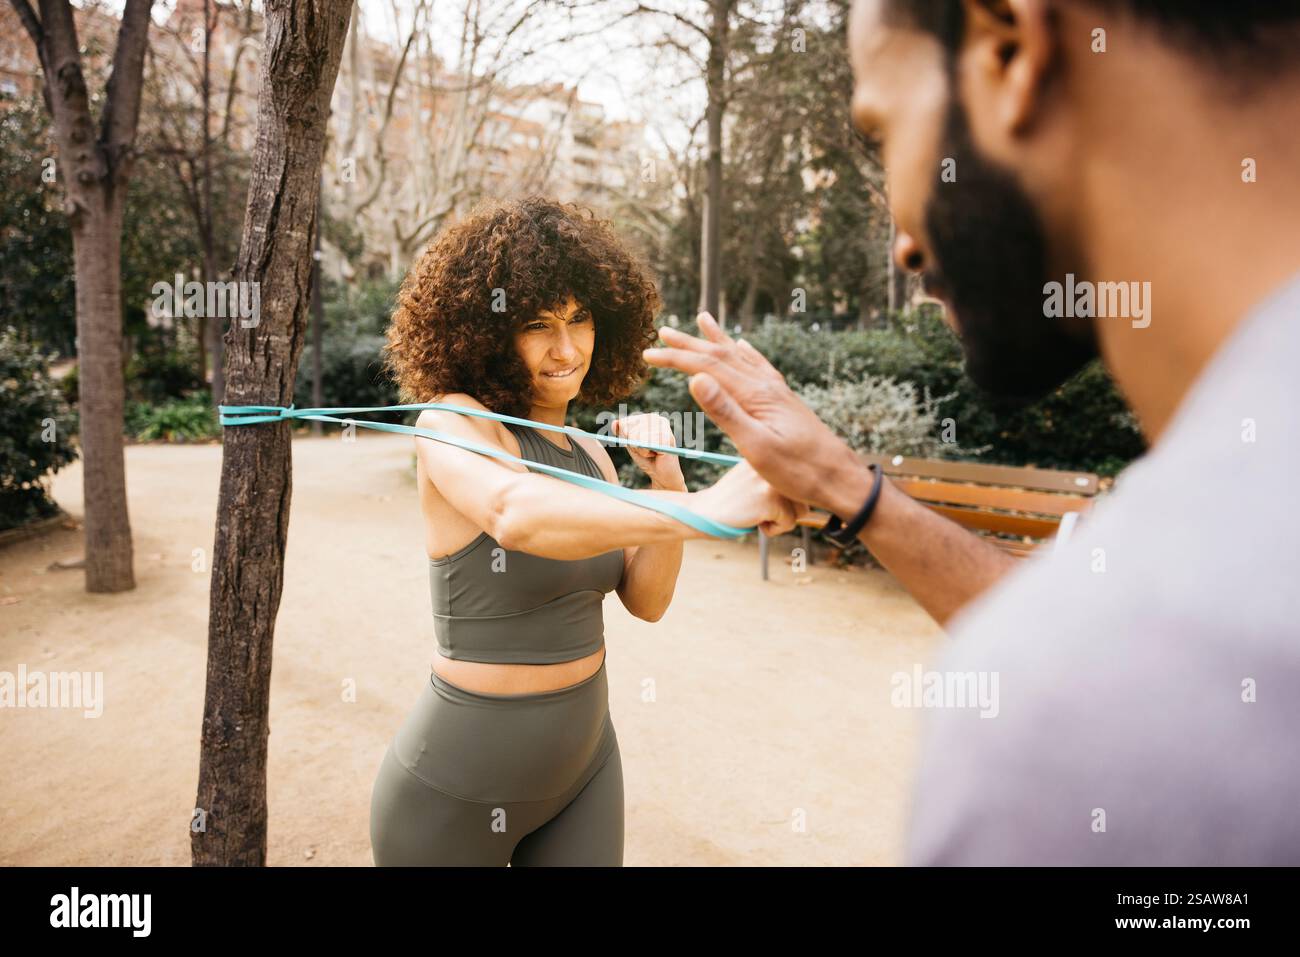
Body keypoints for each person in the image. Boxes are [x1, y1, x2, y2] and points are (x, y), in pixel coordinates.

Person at [644, 0, 1300, 864]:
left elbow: (1104, 657)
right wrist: (851, 486)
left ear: (1008, 46)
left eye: (882, 132)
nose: (902, 238)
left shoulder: (1079, 706)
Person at [368, 197, 800, 866]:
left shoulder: (590, 453)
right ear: (484, 331)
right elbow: (517, 513)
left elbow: (646, 601)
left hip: (584, 769)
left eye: (580, 319)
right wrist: (712, 508)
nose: (566, 349)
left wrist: (670, 484)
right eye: (536, 325)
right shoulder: (452, 422)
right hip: (453, 788)